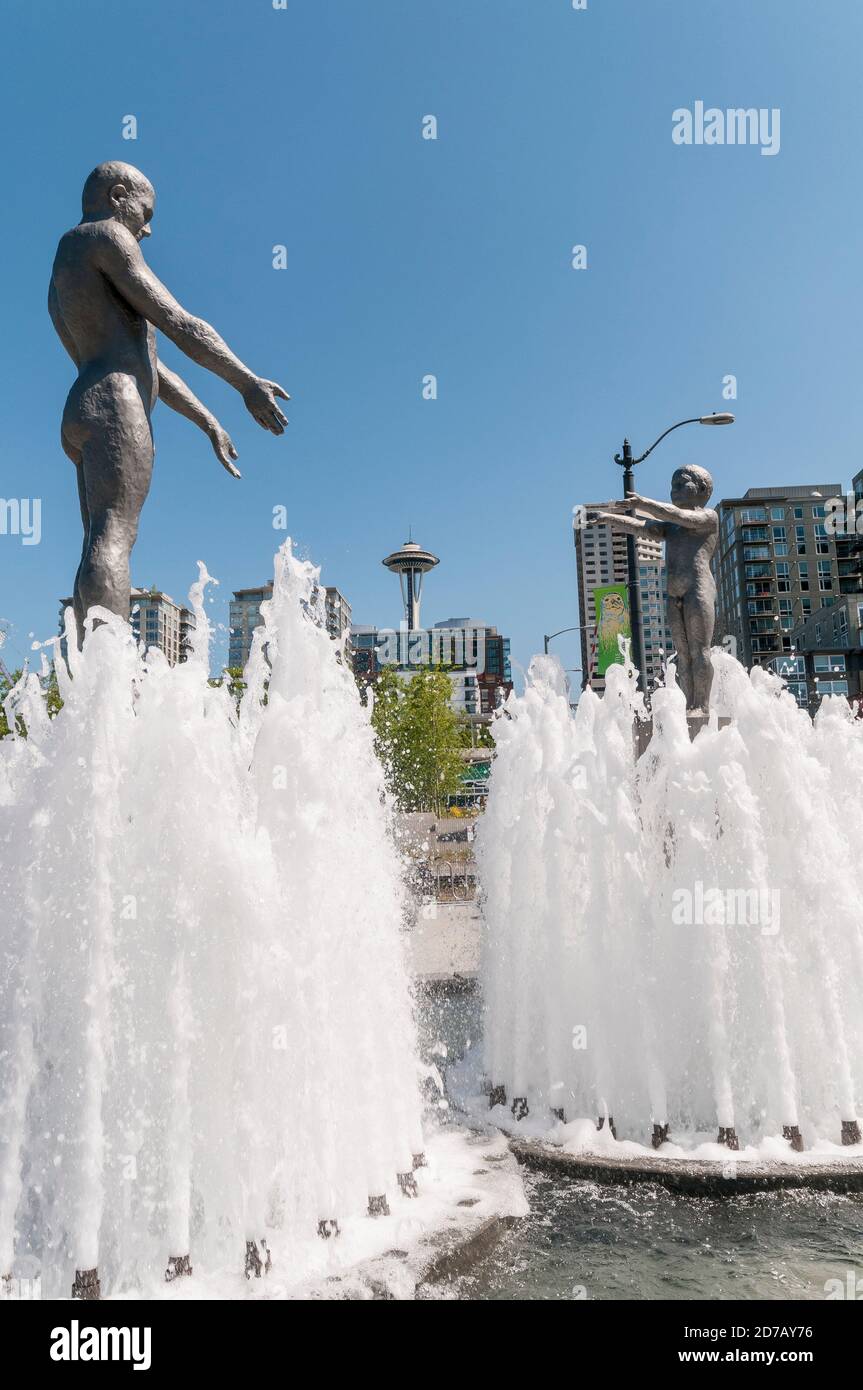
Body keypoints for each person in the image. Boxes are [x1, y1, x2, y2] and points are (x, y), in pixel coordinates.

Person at [49, 161, 289, 641]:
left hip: (83, 403)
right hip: (116, 401)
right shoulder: (106, 237)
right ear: (119, 195)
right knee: (116, 536)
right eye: (145, 210)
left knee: (99, 538)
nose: (149, 227)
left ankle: (91, 679)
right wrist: (246, 381)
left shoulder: (64, 274)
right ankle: (111, 681)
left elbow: (153, 367)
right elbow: (182, 323)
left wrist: (208, 422)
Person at [590, 466, 718, 712]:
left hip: (698, 589)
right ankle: (687, 706)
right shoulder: (671, 528)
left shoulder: (708, 518)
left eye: (682, 484)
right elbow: (640, 526)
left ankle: (702, 706)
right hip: (674, 594)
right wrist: (609, 518)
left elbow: (679, 516)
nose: (675, 490)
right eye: (672, 485)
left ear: (701, 490)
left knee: (700, 651)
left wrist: (642, 501)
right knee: (682, 655)